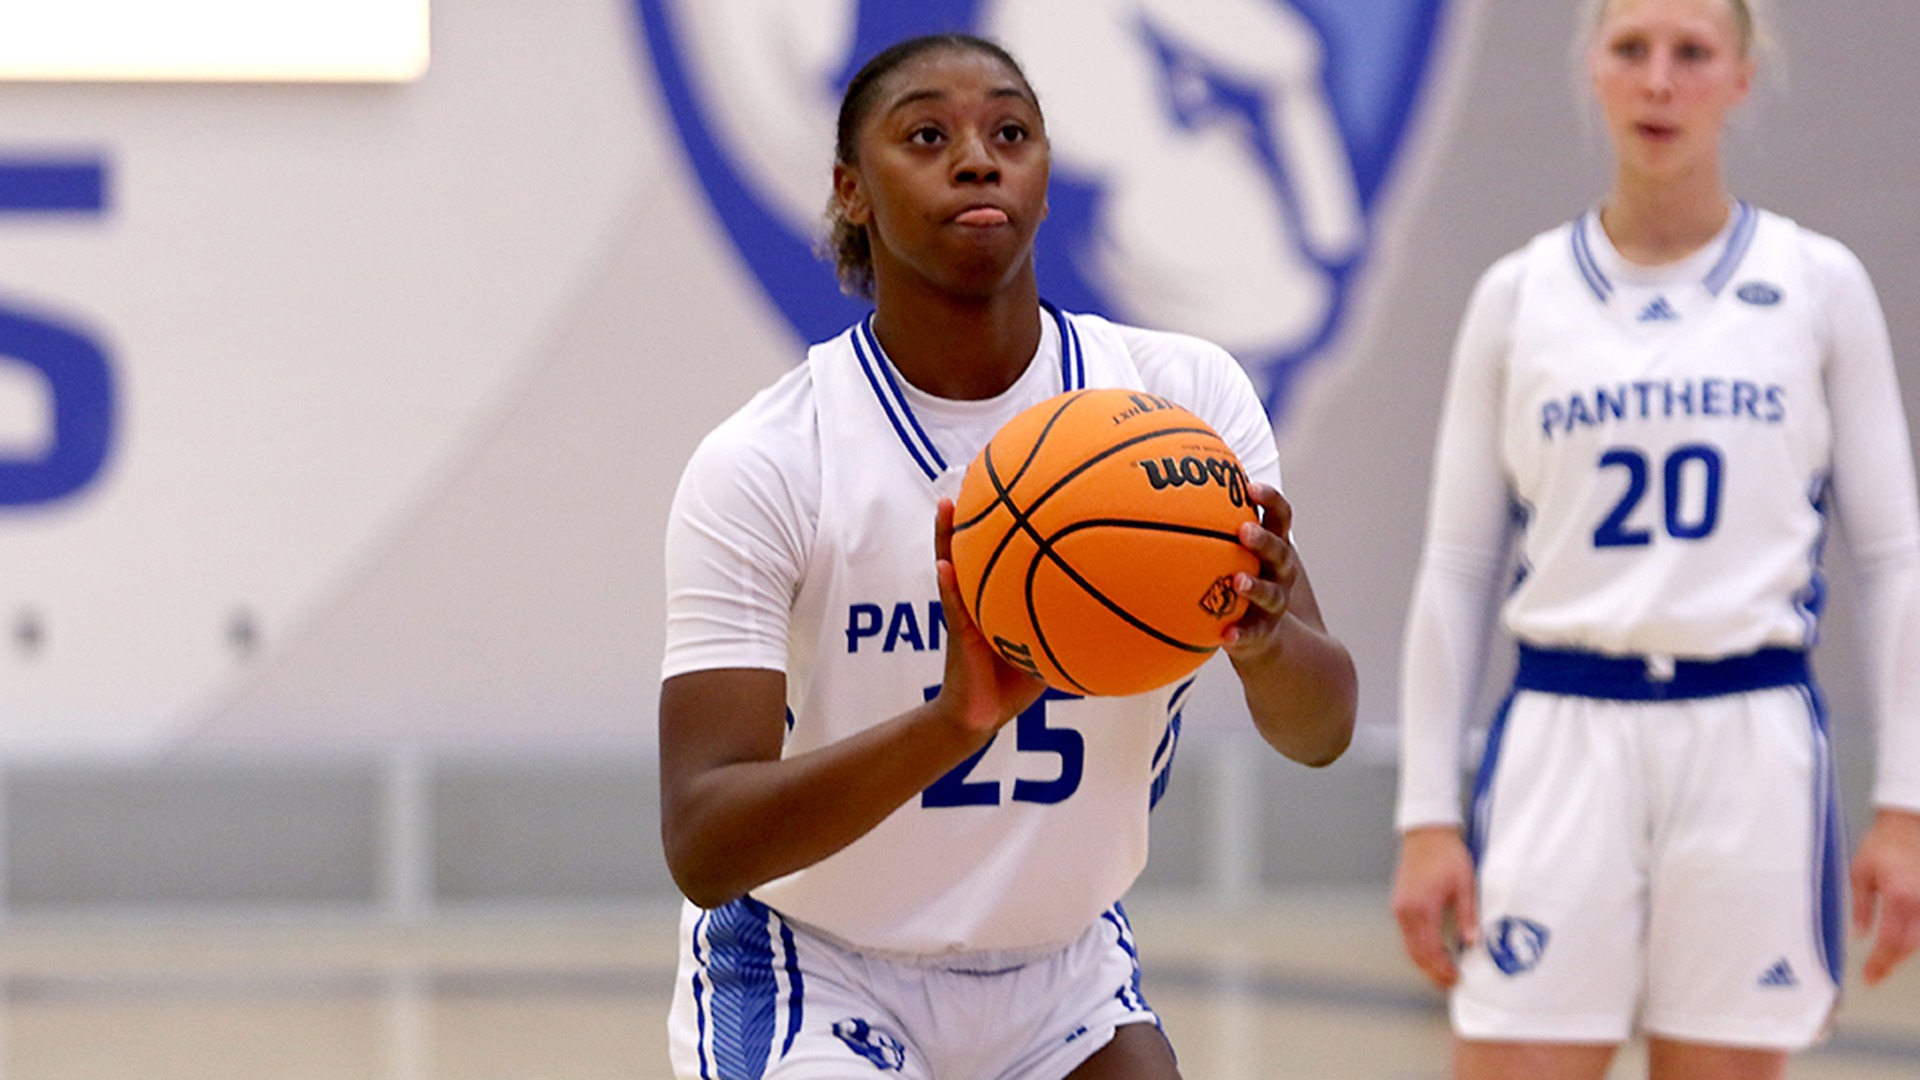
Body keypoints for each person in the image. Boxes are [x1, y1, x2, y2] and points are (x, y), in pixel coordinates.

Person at [658, 32, 1357, 1080]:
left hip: (1063, 971)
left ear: (1044, 174)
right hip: (818, 967)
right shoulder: (769, 463)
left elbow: (1325, 730)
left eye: (1011, 133)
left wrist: (1261, 645)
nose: (977, 159)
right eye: (928, 134)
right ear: (851, 189)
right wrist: (952, 724)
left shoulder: (1181, 408)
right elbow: (706, 844)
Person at [1389, 2, 1920, 1078]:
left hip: (1749, 737)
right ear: (1593, 71)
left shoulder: (1817, 287)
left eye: (1691, 53)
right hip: (1561, 734)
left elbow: (1893, 560)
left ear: (1740, 77)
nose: (1660, 80)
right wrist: (1425, 815)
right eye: (1632, 50)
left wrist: (1904, 806)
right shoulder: (1518, 296)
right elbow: (1454, 571)